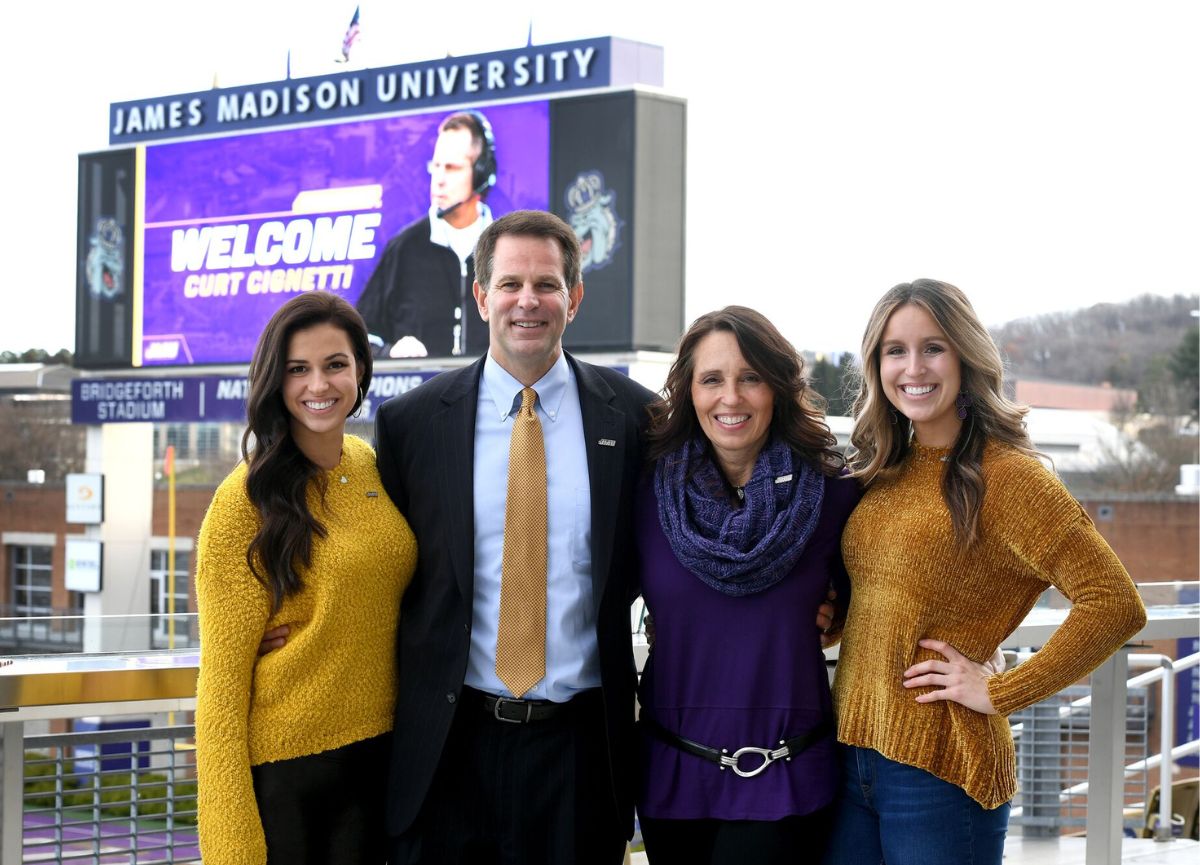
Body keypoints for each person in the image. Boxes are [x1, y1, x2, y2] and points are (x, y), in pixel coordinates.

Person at [823, 279, 1147, 865]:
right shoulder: (882, 468)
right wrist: (833, 619)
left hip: (941, 769)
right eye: (895, 350)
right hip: (851, 754)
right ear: (876, 364)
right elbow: (888, 590)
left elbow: (1114, 603)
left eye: (933, 347)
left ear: (965, 357)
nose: (913, 367)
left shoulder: (1010, 476)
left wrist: (999, 690)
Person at [374, 209, 657, 865]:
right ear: (480, 297)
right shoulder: (411, 425)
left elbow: (669, 557)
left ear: (574, 297)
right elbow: (382, 571)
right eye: (509, 284)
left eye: (547, 284)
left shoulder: (638, 418)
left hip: (581, 756)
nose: (527, 300)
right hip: (449, 751)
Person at [195, 292, 417, 864]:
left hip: (383, 757)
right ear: (275, 380)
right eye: (298, 369)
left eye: (335, 364)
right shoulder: (243, 501)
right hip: (291, 773)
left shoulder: (371, 465)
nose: (318, 385)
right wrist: (232, 843)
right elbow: (220, 690)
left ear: (360, 371)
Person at [634, 306, 860, 864]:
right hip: (672, 779)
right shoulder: (645, 494)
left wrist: (982, 652)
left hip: (786, 777)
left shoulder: (836, 496)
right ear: (688, 392)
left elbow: (885, 603)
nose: (730, 398)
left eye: (750, 378)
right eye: (712, 379)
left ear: (778, 388)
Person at [355, 110, 497, 359]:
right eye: (436, 166)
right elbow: (357, 339)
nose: (439, 179)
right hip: (423, 397)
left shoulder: (506, 250)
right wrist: (391, 353)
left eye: (452, 168)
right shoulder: (403, 248)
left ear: (481, 173)